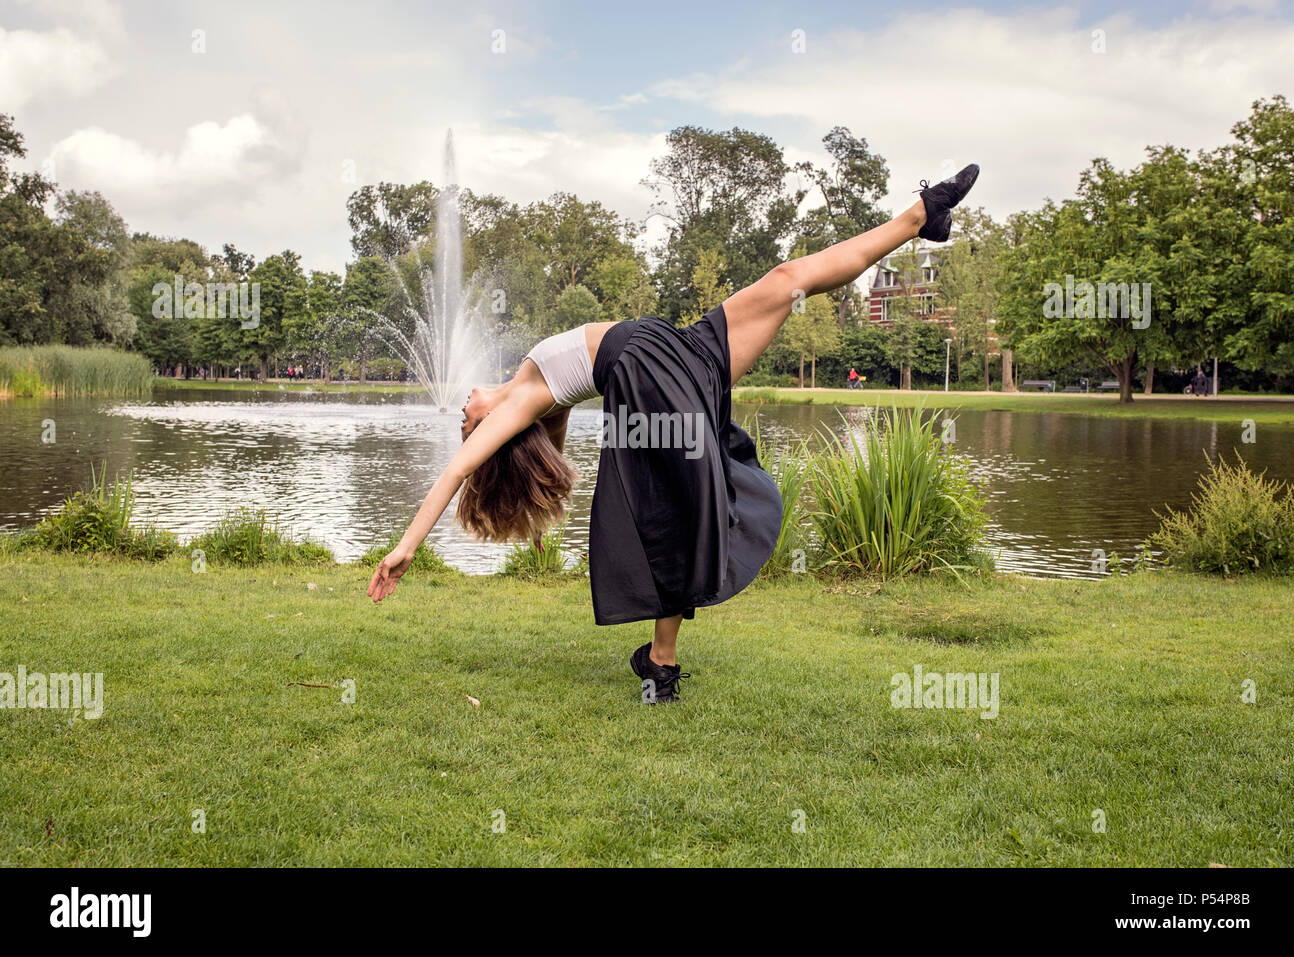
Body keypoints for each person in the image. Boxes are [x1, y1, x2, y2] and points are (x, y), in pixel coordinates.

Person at [368, 164, 981, 703]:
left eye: (462, 419)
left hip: (672, 346)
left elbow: (537, 466)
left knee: (786, 280)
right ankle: (662, 664)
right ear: (489, 431)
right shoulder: (520, 404)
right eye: (467, 425)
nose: (463, 413)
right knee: (665, 516)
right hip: (647, 366)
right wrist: (405, 548)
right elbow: (456, 471)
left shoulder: (536, 404)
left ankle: (920, 216)